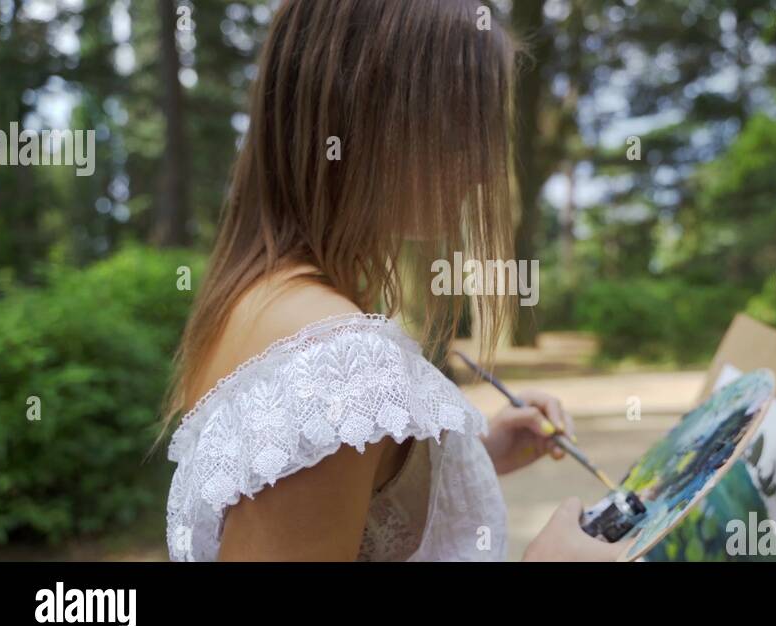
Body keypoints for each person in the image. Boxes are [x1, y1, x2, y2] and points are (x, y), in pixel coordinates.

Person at [161, 0, 626, 562]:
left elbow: (336, 511)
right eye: (462, 130)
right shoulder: (342, 362)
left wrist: (470, 457)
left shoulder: (254, 301)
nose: (481, 172)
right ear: (363, 114)